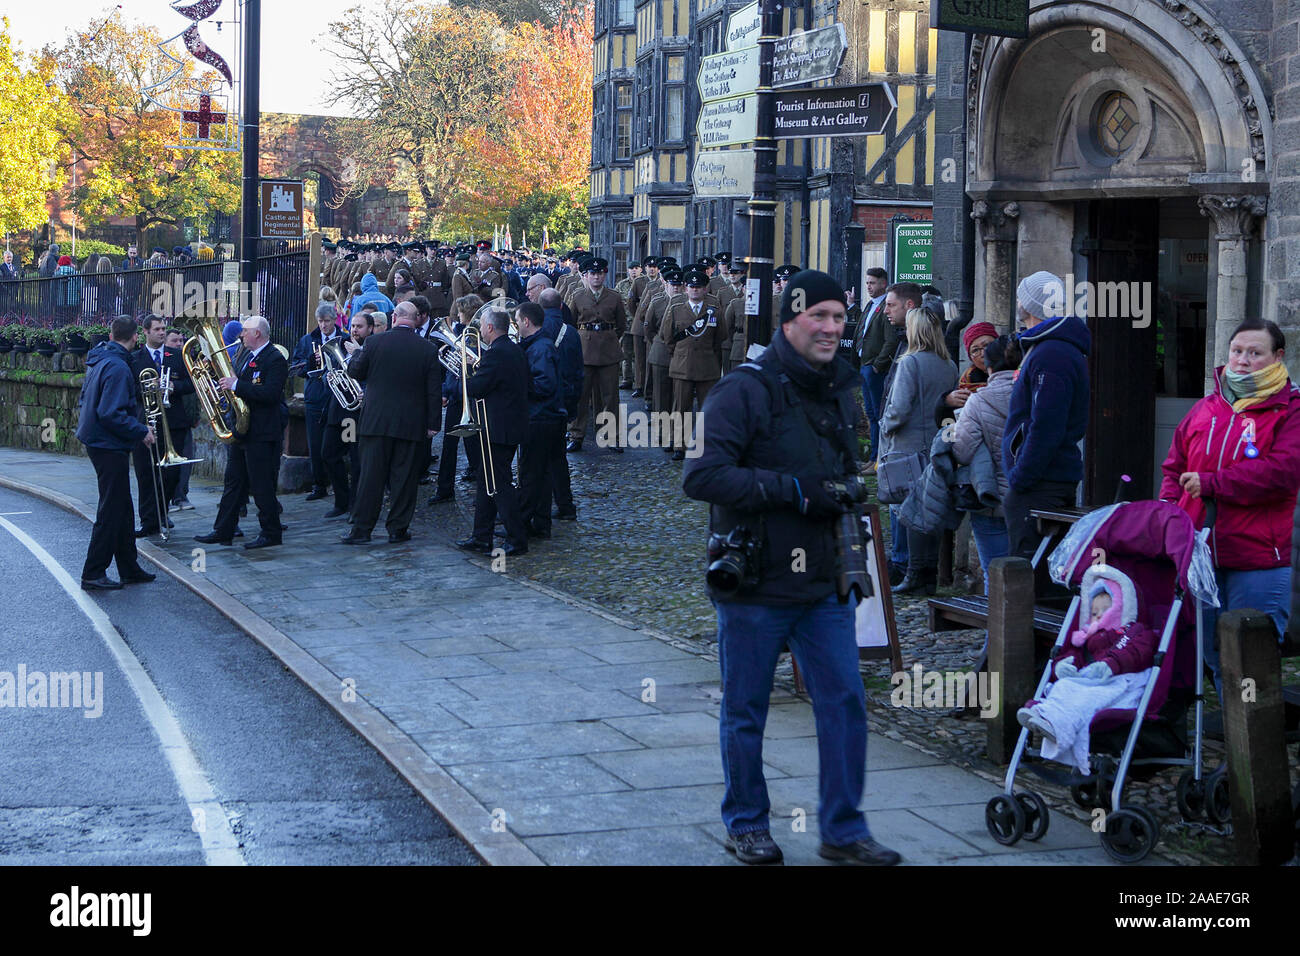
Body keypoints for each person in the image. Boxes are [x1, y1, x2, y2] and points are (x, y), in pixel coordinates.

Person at [683, 269, 900, 867]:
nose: (832, 328)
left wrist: (842, 495)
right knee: (745, 709)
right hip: (755, 582)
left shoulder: (835, 386)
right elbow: (700, 475)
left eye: (839, 316)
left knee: (845, 703)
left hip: (824, 582)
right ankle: (747, 824)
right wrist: (794, 491)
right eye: (820, 317)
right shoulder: (742, 389)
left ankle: (844, 830)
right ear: (789, 321)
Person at [1160, 317, 1300, 697]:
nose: (1242, 360)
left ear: (1277, 357)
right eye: (1237, 351)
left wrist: (1214, 484)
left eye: (1255, 353)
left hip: (1257, 557)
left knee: (1251, 661)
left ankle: (1254, 751)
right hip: (1201, 555)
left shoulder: (1290, 411)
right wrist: (1168, 514)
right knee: (1214, 655)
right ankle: (1232, 738)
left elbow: (1283, 472)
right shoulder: (1208, 408)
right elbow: (1174, 468)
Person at [1018, 565, 1157, 772]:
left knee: (1083, 697)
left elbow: (1137, 652)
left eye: (1105, 610)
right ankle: (1045, 715)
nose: (1098, 616)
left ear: (1121, 608)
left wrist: (1111, 664)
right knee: (1063, 686)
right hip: (1090, 681)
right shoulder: (1086, 640)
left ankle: (1060, 727)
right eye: (1094, 612)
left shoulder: (1136, 633)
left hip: (1120, 681)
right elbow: (1074, 655)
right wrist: (1064, 665)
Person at [1001, 271, 1091, 561]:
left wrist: (1021, 478)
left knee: (1027, 579)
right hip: (1042, 480)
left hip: (1041, 482)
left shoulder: (1052, 353)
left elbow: (1046, 426)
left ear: (1029, 305)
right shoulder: (1047, 348)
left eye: (1020, 296)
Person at [342, 301, 442, 544]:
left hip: (376, 422)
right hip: (410, 424)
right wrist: (433, 424)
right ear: (416, 319)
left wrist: (355, 353)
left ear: (394, 317)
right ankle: (397, 529)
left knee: (370, 478)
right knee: (404, 480)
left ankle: (361, 530)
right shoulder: (427, 349)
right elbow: (433, 391)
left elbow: (355, 372)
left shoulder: (374, 342)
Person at [881, 302, 957, 596]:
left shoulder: (910, 362)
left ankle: (915, 573)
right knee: (931, 509)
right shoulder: (948, 365)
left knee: (910, 512)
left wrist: (884, 426)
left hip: (908, 445)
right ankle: (929, 574)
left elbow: (898, 408)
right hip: (935, 444)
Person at [76, 316, 158, 591]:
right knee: (111, 509)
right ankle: (93, 572)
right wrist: (140, 431)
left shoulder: (101, 358)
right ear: (135, 337)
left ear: (111, 335)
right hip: (107, 444)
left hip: (98, 440)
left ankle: (129, 567)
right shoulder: (118, 367)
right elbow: (110, 413)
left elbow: (86, 400)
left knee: (123, 507)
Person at [195, 316, 288, 550]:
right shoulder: (246, 354)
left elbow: (271, 394)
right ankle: (223, 530)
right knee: (233, 481)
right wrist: (224, 386)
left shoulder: (274, 358)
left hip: (263, 432)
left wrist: (236, 385)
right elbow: (239, 385)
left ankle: (271, 532)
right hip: (243, 428)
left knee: (261, 484)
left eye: (245, 331)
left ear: (257, 333)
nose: (241, 335)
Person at [456, 308, 529, 556]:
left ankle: (517, 539)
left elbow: (476, 387)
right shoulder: (513, 349)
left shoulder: (496, 354)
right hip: (506, 426)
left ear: (489, 328)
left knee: (499, 485)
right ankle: (481, 536)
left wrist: (464, 371)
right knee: (486, 482)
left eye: (482, 327)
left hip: (497, 429)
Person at [952, 334, 1022, 594]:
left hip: (991, 498)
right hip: (1029, 499)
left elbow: (962, 450)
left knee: (994, 576)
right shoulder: (1034, 394)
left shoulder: (978, 401)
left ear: (989, 367)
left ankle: (994, 636)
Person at [130, 315, 195, 537]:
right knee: (145, 473)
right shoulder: (135, 359)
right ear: (145, 332)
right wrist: (149, 388)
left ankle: (162, 511)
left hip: (173, 422)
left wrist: (173, 386)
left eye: (163, 329)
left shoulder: (177, 356)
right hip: (145, 423)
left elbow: (191, 384)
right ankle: (148, 520)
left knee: (171, 474)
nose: (161, 332)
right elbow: (130, 390)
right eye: (157, 329)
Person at [661, 267, 728, 460]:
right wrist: (680, 354)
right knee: (681, 408)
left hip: (708, 367)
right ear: (685, 288)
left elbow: (720, 336)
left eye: (699, 287)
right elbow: (668, 336)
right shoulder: (675, 309)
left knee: (707, 409)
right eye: (692, 287)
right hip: (682, 366)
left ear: (705, 289)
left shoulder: (714, 310)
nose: (695, 290)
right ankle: (680, 446)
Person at [566, 257, 627, 453]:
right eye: (593, 274)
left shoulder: (614, 297)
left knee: (610, 397)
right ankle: (576, 435)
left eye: (600, 273)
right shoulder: (577, 296)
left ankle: (611, 436)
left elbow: (621, 325)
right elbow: (571, 323)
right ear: (586, 276)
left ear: (605, 274)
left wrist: (608, 337)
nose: (596, 277)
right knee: (581, 395)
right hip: (584, 351)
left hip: (608, 351)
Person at [515, 301, 565, 538]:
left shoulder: (540, 348)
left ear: (526, 322)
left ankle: (523, 523)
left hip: (540, 417)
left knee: (531, 473)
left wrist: (517, 387)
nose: (515, 326)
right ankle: (541, 522)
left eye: (517, 321)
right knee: (542, 474)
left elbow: (544, 384)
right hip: (546, 416)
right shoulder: (539, 345)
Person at [291, 303, 349, 502]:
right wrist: (310, 364)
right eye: (320, 322)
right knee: (315, 444)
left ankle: (341, 483)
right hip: (315, 396)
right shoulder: (308, 340)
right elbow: (296, 366)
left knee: (340, 444)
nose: (323, 325)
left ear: (334, 320)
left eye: (327, 321)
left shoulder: (346, 339)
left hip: (339, 398)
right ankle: (319, 484)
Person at [430, 295, 485, 503]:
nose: (458, 315)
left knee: (474, 445)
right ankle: (445, 489)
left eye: (460, 311)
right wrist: (446, 390)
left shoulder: (476, 334)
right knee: (449, 443)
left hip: (471, 396)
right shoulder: (461, 333)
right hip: (456, 395)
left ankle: (482, 489)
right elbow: (452, 371)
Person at [321, 310, 373, 519]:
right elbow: (328, 375)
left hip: (354, 416)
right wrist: (330, 376)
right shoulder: (341, 345)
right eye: (353, 326)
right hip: (339, 412)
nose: (354, 330)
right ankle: (341, 501)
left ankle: (354, 505)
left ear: (369, 329)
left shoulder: (371, 349)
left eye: (359, 327)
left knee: (356, 459)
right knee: (328, 454)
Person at [538, 287, 582, 520]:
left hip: (542, 401)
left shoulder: (536, 329)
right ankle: (566, 505)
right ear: (562, 307)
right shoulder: (572, 333)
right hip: (565, 399)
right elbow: (578, 372)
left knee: (537, 459)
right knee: (558, 457)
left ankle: (541, 508)